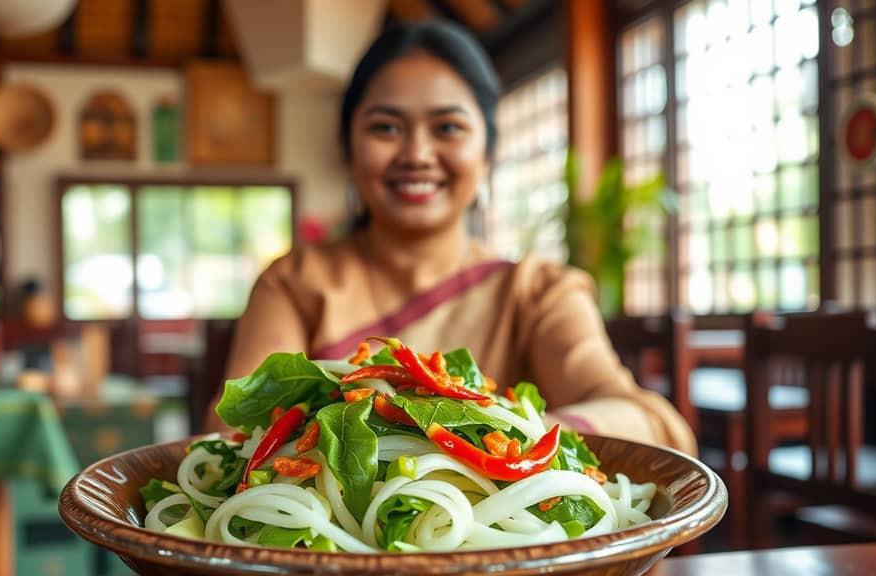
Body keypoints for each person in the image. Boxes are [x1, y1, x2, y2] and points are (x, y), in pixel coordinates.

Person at [211, 21, 696, 456]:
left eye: (448, 127)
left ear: (486, 154)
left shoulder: (537, 291)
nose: (418, 153)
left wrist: (504, 434)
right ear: (348, 148)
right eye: (386, 127)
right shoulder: (294, 282)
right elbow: (233, 433)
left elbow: (654, 426)